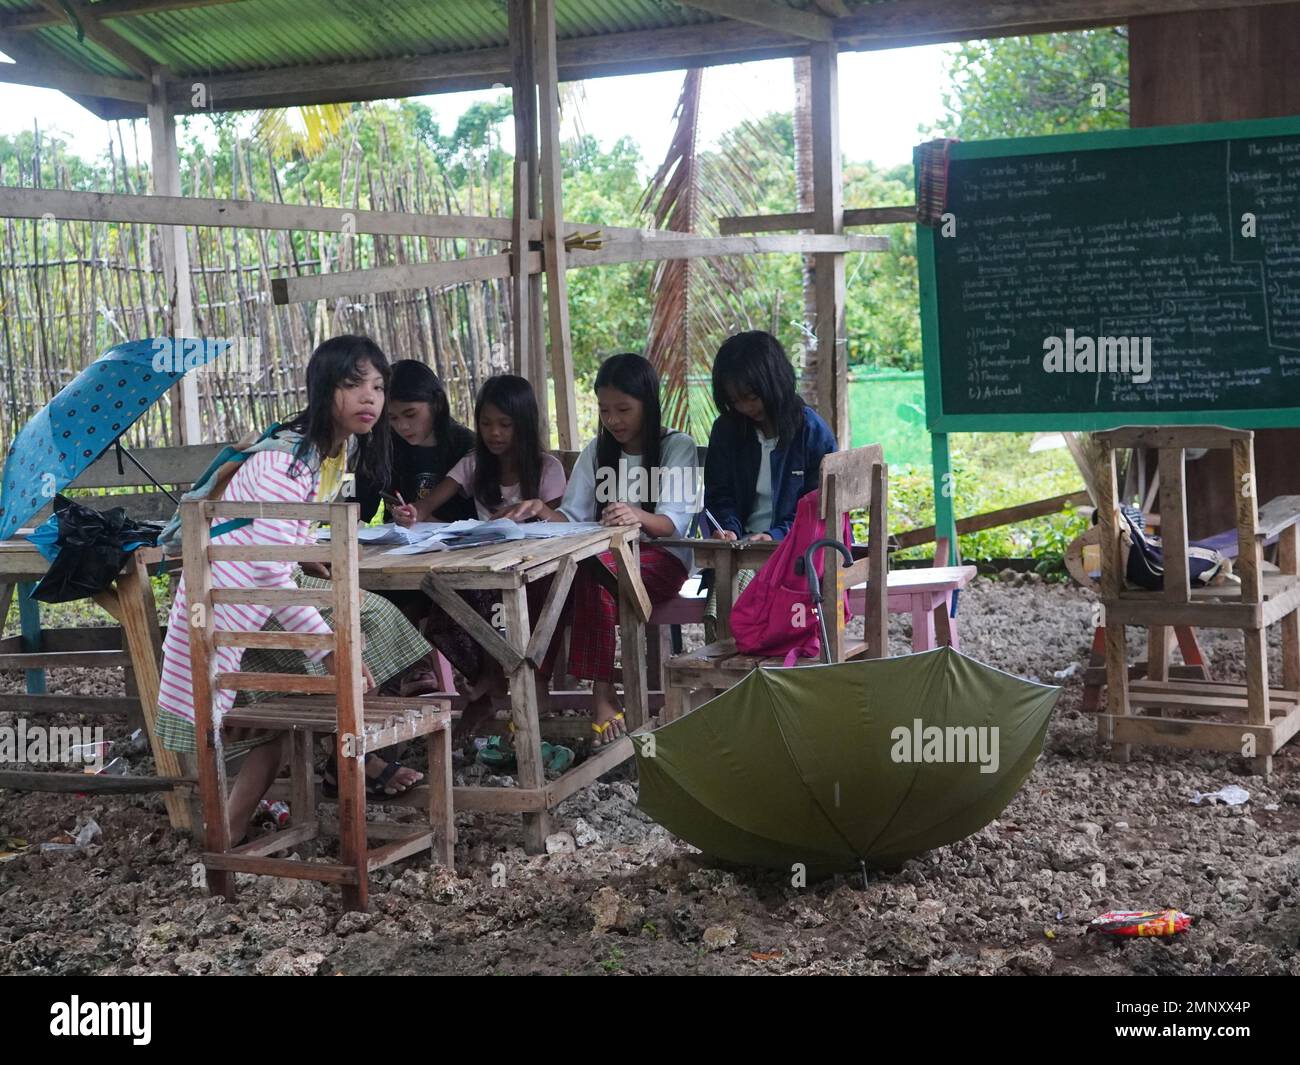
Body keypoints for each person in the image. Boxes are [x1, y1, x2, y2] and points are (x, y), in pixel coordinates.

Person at [155, 336, 432, 843]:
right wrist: (324, 647)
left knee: (359, 628)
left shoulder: (318, 451)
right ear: (325, 389)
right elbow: (266, 569)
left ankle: (235, 824)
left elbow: (278, 534)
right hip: (227, 606)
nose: (370, 398)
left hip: (244, 598)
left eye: (377, 386)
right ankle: (345, 750)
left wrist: (305, 547)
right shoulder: (286, 459)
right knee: (367, 622)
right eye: (354, 385)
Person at [499, 353, 698, 746]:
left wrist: (636, 515)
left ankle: (603, 691)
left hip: (663, 558)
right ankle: (536, 686)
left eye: (624, 409)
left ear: (648, 404)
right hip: (599, 558)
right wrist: (541, 510)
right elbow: (573, 519)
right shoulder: (598, 450)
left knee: (590, 568)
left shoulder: (677, 446)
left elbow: (674, 523)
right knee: (541, 575)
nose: (614, 420)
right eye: (606, 410)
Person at [396, 375, 567, 745]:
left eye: (505, 424)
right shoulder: (473, 464)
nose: (495, 433)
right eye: (486, 424)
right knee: (447, 605)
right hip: (482, 565)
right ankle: (483, 683)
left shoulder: (547, 468)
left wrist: (538, 508)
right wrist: (411, 515)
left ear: (524, 423)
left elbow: (568, 526)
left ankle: (489, 688)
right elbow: (425, 508)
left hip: (534, 572)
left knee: (491, 599)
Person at [701, 330, 837, 640]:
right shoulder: (727, 430)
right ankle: (740, 663)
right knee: (730, 591)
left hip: (796, 551)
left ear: (774, 383)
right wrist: (729, 528)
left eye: (751, 397)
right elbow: (719, 495)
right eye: (735, 401)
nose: (746, 407)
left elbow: (819, 511)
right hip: (739, 549)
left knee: (733, 604)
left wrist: (775, 535)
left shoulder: (811, 432)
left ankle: (746, 662)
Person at [356, 359, 475, 525]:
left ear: (437, 403)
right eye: (392, 418)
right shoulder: (383, 448)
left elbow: (481, 516)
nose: (402, 426)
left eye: (411, 414)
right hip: (397, 546)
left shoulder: (466, 447)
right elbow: (358, 510)